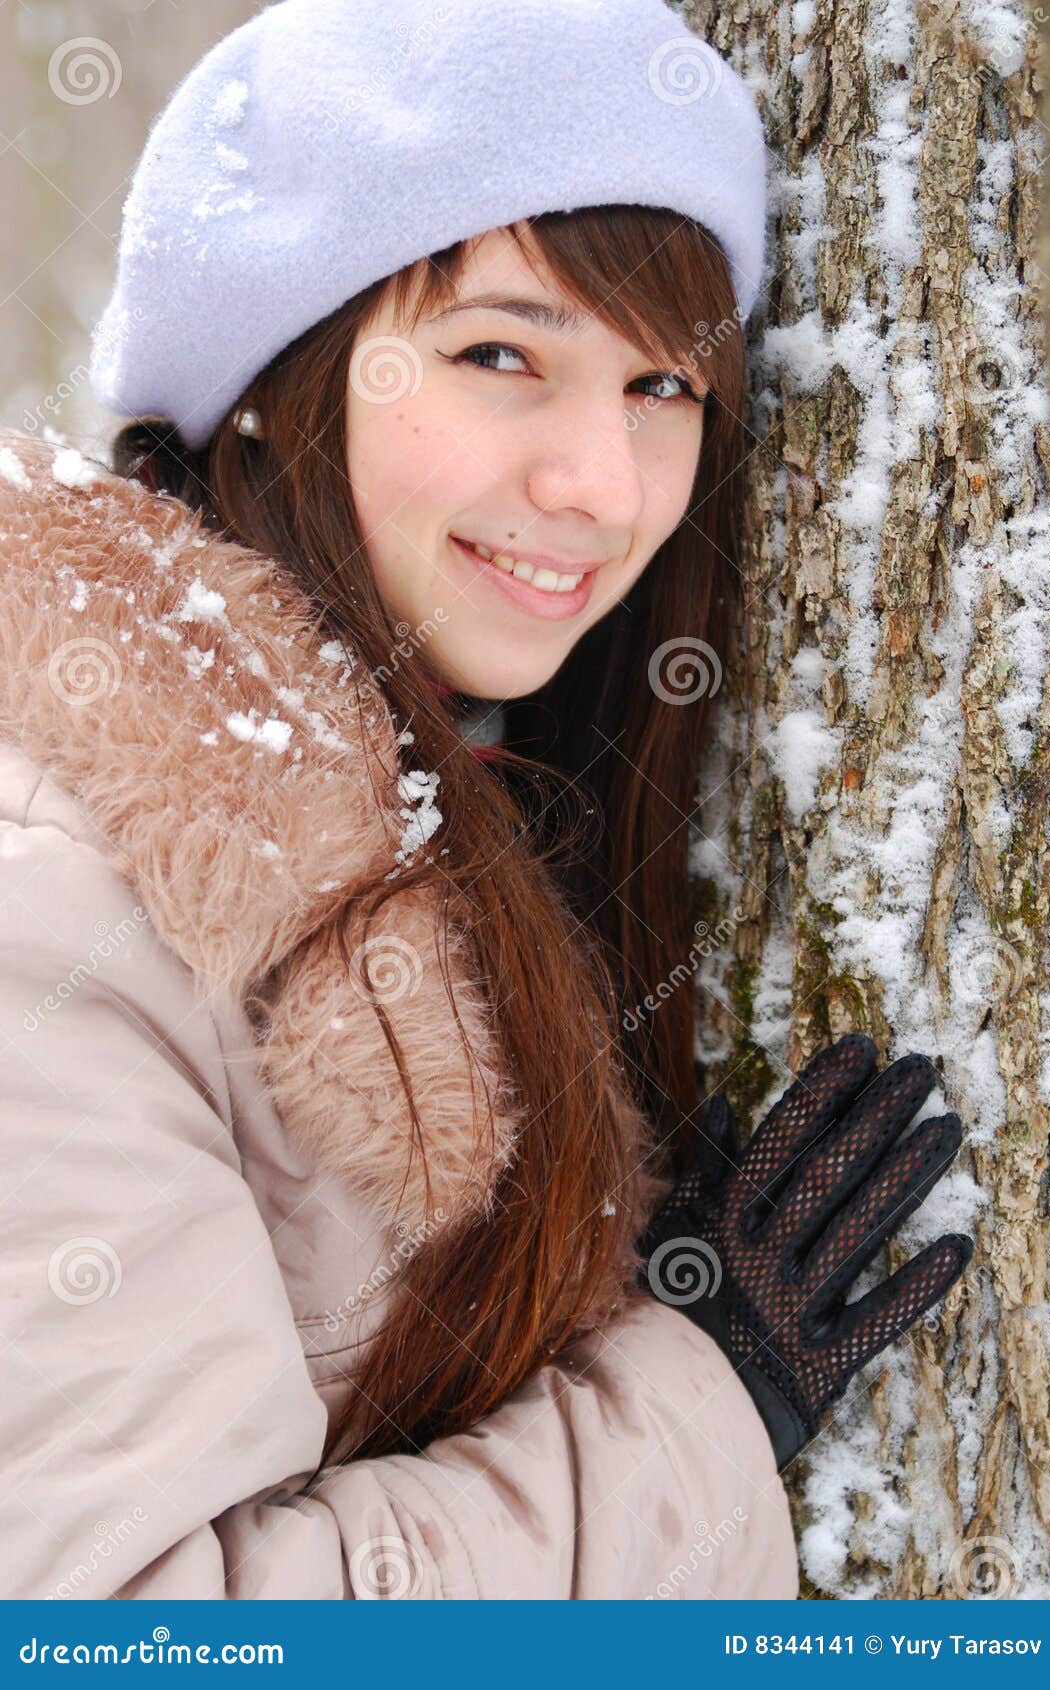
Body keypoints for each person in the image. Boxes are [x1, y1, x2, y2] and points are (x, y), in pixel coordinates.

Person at [0, 0, 970, 1600]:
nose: (603, 480)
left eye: (664, 384)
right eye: (500, 351)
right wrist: (695, 1411)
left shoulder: (499, 782)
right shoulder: (63, 886)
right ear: (273, 371)